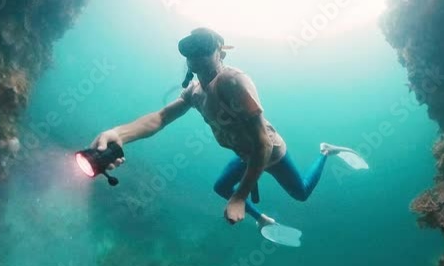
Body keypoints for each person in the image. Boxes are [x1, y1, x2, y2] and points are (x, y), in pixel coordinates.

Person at [90, 27, 365, 230]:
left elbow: (263, 144)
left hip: (270, 153)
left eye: (203, 52)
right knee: (222, 187)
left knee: (300, 194)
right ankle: (263, 220)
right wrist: (119, 133)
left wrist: (241, 195)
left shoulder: (234, 82)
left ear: (219, 51)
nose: (196, 60)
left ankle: (326, 152)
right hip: (246, 154)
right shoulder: (194, 90)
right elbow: (161, 118)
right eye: (191, 55)